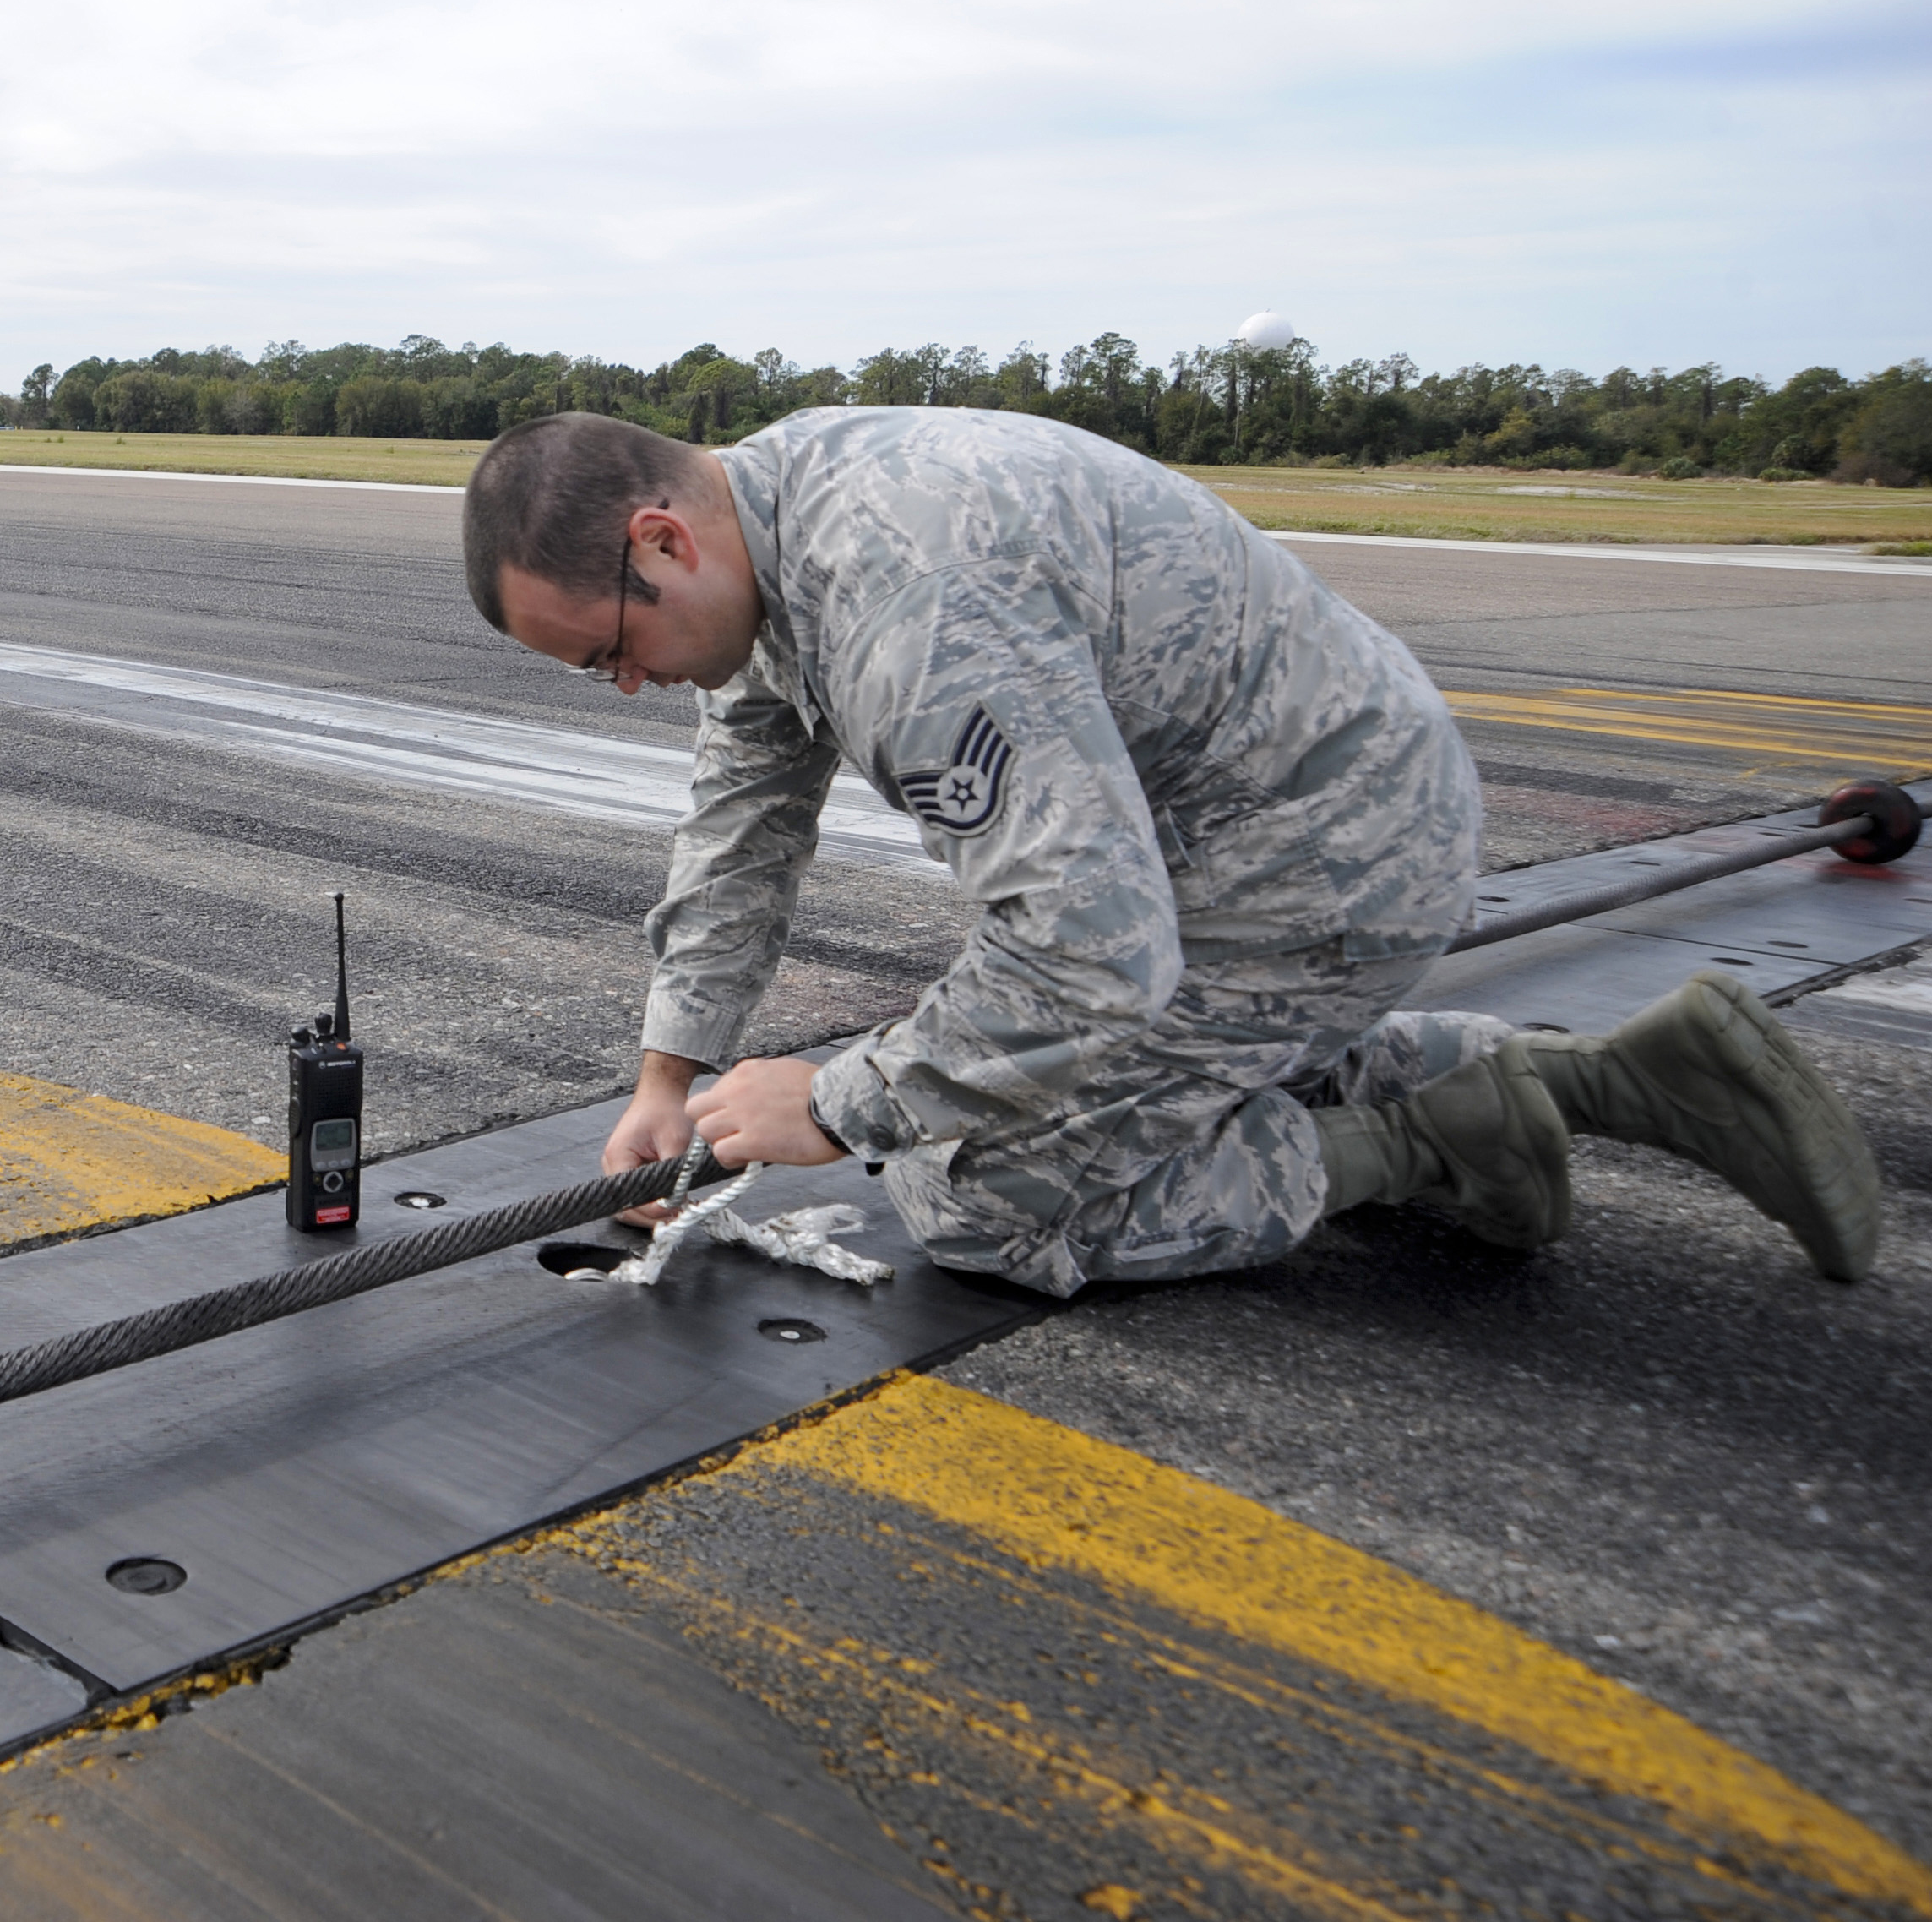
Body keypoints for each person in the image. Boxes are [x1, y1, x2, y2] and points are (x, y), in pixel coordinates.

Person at [460, 408, 1879, 1293]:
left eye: (611, 653)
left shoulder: (907, 610)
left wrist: (839, 1101)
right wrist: (672, 1070)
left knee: (981, 1199)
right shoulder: (771, 520)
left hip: (1325, 857)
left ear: (660, 539)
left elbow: (1088, 952)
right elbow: (745, 822)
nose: (630, 686)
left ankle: (1442, 1130)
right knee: (1088, 1069)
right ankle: (1593, 1078)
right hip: (1248, 834)